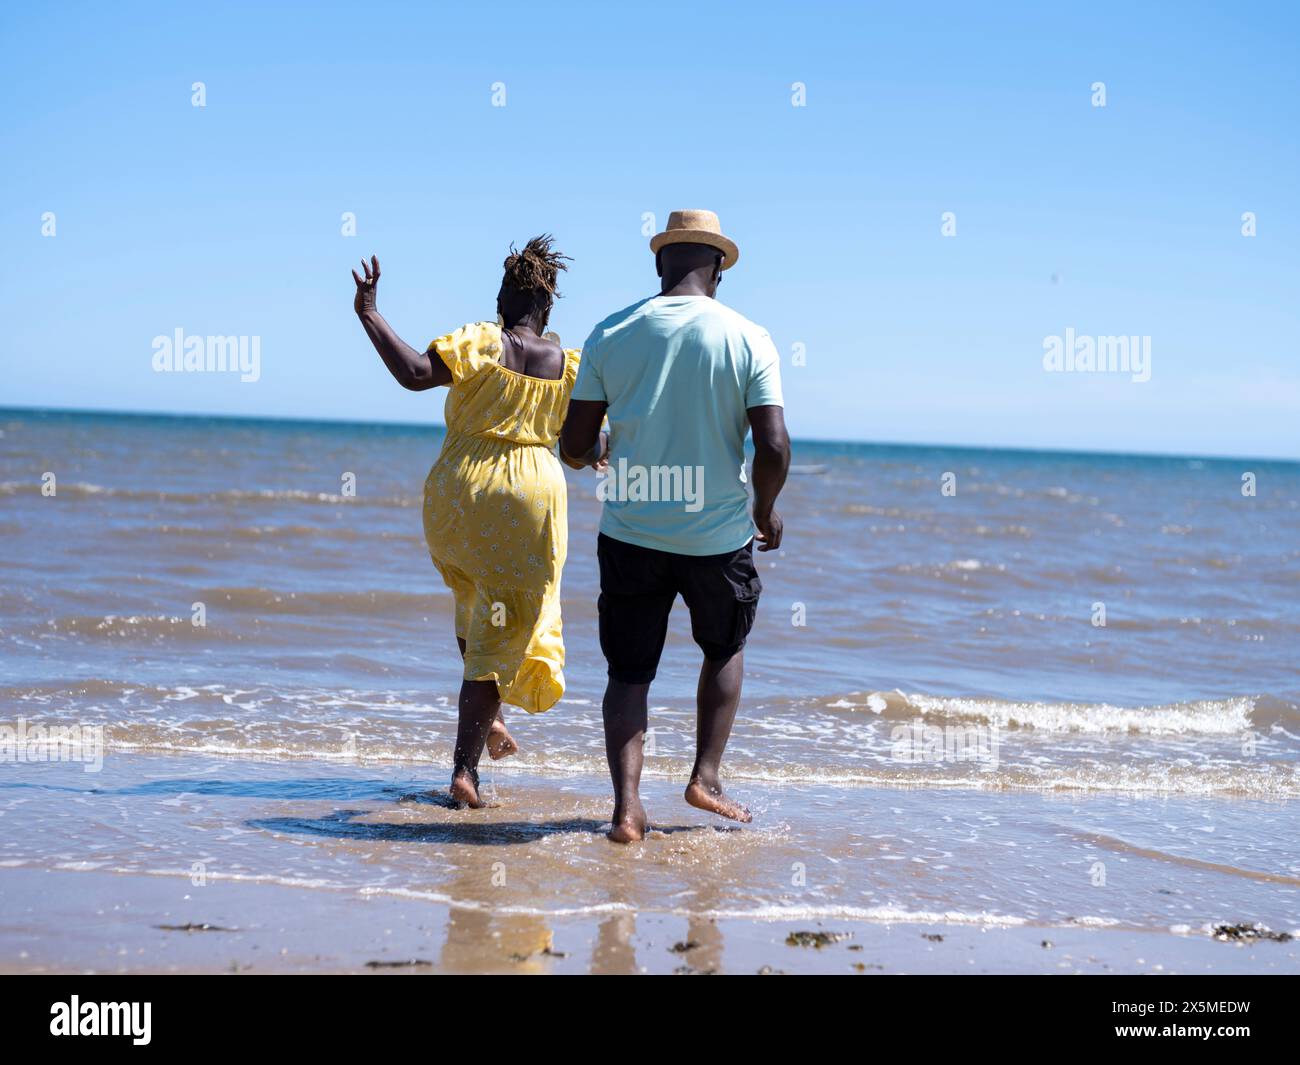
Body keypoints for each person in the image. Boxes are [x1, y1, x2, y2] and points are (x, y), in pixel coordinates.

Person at [560, 209, 791, 843]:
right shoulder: (750, 338)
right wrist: (765, 508)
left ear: (660, 263)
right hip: (716, 537)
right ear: (718, 268)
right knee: (724, 648)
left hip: (631, 526)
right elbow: (772, 445)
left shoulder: (612, 331)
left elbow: (575, 445)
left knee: (628, 673)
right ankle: (704, 779)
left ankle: (627, 809)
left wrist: (603, 445)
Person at [352, 236, 585, 807]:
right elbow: (578, 449)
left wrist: (371, 314)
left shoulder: (483, 340)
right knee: (501, 626)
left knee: (476, 602)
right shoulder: (569, 366)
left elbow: (413, 373)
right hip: (530, 499)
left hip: (459, 495)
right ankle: (465, 772)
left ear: (507, 297)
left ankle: (493, 722)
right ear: (547, 307)